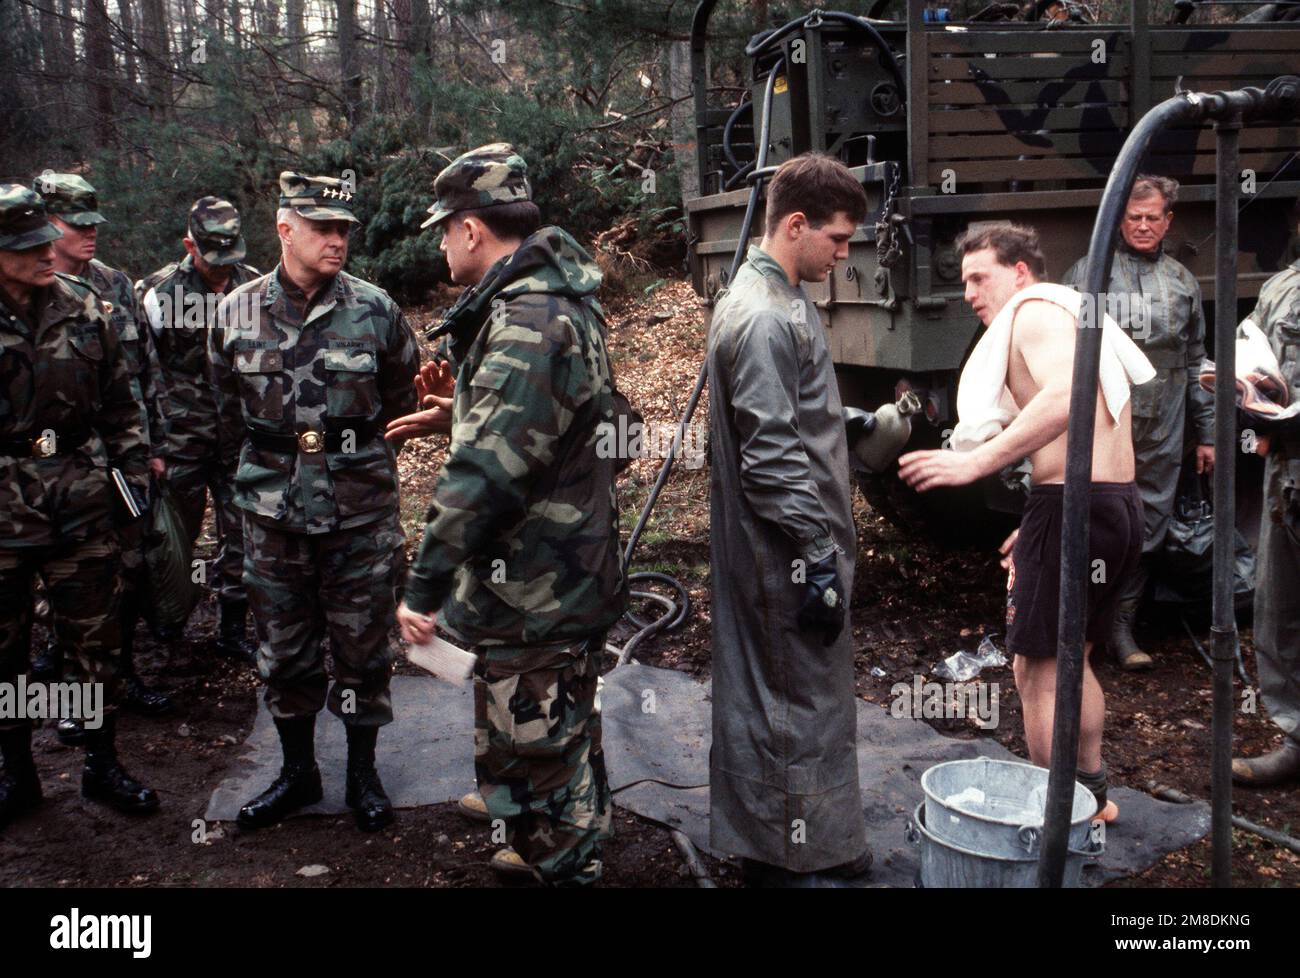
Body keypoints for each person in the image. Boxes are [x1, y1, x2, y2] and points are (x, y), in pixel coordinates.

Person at [393, 143, 627, 886]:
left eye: (442, 230)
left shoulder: (528, 319)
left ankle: (564, 863)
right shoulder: (556, 300)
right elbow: (593, 428)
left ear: (471, 229)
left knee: (533, 748)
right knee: (563, 730)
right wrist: (464, 410)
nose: (440, 246)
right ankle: (573, 842)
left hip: (536, 589)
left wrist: (422, 587)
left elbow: (485, 477)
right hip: (563, 574)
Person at [900, 223, 1153, 821]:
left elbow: (1071, 393)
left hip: (1077, 506)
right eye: (961, 282)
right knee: (1072, 659)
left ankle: (1053, 824)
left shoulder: (1037, 308)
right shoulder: (1068, 313)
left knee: (1036, 672)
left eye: (978, 277)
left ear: (1019, 272)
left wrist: (978, 461)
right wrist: (1041, 521)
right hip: (1108, 505)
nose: (968, 292)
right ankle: (1091, 797)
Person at [208, 172, 421, 832]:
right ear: (284, 228)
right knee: (284, 651)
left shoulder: (376, 308)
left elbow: (403, 398)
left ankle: (363, 774)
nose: (337, 239)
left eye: (344, 229)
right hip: (271, 514)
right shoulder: (235, 312)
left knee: (363, 650)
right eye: (322, 227)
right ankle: (298, 773)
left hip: (358, 510)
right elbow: (224, 411)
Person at [705, 153, 871, 887]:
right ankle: (785, 857)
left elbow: (791, 421)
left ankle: (820, 840)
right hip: (784, 549)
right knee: (788, 696)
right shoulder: (766, 315)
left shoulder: (778, 296)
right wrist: (816, 554)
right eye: (837, 240)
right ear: (795, 224)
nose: (844, 255)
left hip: (798, 541)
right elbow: (770, 460)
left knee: (808, 693)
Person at [0, 184, 160, 828]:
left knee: (95, 644)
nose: (45, 252)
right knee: (5, 652)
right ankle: (17, 771)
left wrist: (133, 481)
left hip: (81, 504)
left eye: (45, 239)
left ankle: (101, 764)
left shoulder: (85, 310)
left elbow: (122, 404)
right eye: (26, 245)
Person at [35, 172, 174, 728]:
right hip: (48, 472)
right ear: (47, 224)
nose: (91, 234)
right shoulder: (26, 292)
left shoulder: (115, 285)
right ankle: (65, 683)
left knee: (129, 569)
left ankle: (122, 673)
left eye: (96, 223)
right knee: (58, 586)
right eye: (78, 225)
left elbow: (145, 373)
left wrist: (155, 447)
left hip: (120, 461)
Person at [1062, 176, 1215, 670]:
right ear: (1117, 219)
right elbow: (1062, 354)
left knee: (1149, 519)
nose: (1144, 226)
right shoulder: (1088, 275)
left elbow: (1198, 364)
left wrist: (1208, 433)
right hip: (1107, 411)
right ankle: (1083, 627)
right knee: (1097, 516)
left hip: (1165, 420)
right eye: (1134, 217)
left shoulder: (1182, 281)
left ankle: (1123, 627)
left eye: (1153, 217)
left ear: (1168, 221)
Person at [138, 198, 260, 660]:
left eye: (231, 255)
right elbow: (141, 375)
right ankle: (170, 619)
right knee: (175, 540)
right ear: (190, 245)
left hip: (237, 441)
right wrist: (151, 444)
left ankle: (232, 628)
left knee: (242, 536)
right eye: (213, 257)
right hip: (180, 443)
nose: (222, 268)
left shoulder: (253, 288)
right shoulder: (158, 294)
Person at [1233, 209, 1300, 787]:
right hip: (1286, 472)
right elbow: (1250, 347)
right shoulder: (1282, 287)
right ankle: (1298, 738)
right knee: (1278, 609)